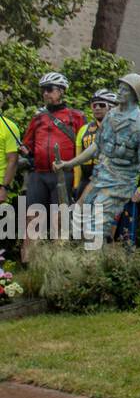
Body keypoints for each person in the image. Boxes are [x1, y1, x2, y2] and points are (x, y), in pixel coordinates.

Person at [59, 74, 140, 248]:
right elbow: (97, 146)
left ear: (135, 95)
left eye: (125, 89)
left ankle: (93, 268)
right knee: (80, 217)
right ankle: (96, 264)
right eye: (119, 87)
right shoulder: (111, 116)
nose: (119, 91)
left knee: (96, 224)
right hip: (101, 176)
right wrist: (70, 163)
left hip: (121, 181)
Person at [21, 73, 84, 262]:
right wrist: (25, 150)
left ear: (61, 91)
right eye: (43, 90)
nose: (45, 94)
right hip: (39, 174)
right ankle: (28, 264)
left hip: (63, 175)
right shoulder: (38, 117)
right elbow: (28, 144)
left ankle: (58, 263)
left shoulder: (76, 117)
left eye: (49, 89)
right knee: (32, 218)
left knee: (59, 220)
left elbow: (83, 146)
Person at [72, 90, 115, 200]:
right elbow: (78, 161)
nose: (97, 108)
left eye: (101, 105)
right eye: (94, 105)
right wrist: (76, 185)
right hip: (86, 181)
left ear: (111, 107)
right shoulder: (84, 130)